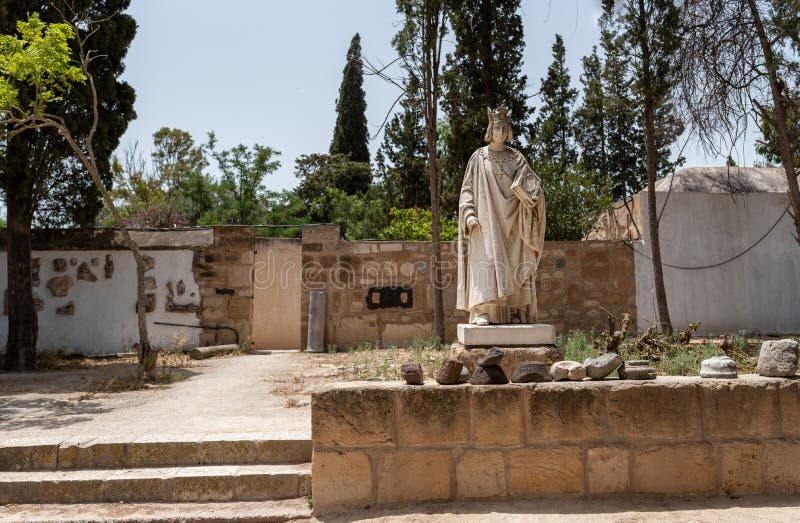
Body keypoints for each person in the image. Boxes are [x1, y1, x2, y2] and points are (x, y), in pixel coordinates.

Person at [456, 105, 546, 326]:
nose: (500, 131)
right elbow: (467, 189)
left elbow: (533, 186)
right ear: (490, 128)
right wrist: (468, 213)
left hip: (515, 221)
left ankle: (515, 311)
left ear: (508, 130)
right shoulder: (478, 158)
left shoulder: (517, 158)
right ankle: (484, 311)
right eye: (496, 126)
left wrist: (532, 199)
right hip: (485, 222)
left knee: (515, 262)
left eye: (504, 127)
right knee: (485, 262)